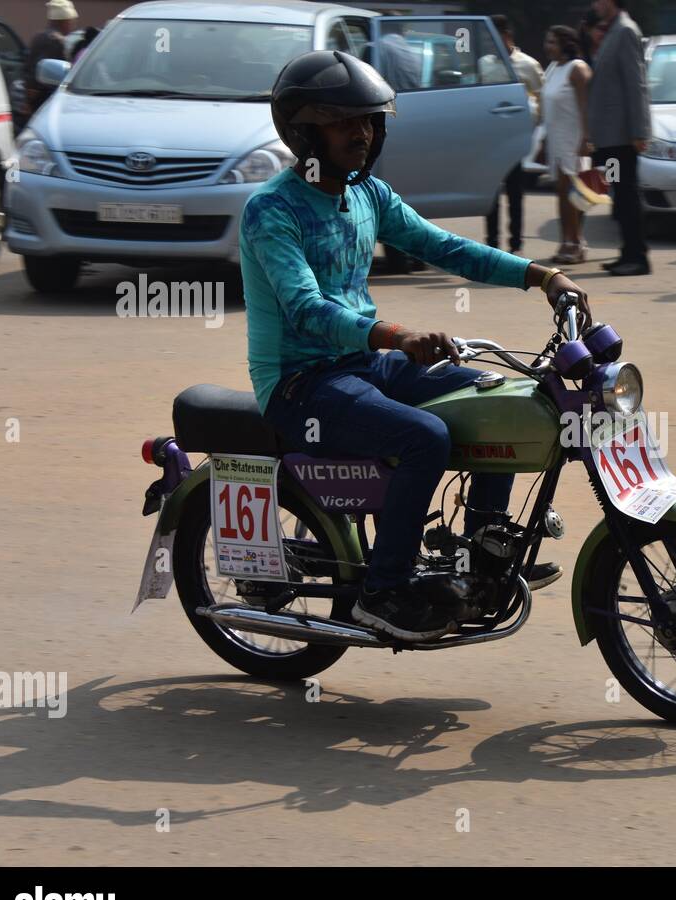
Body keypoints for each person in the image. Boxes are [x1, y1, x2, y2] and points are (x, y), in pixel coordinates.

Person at [242, 51, 590, 643]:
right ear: (304, 132)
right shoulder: (272, 210)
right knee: (423, 437)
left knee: (504, 399)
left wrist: (541, 276)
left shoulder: (368, 195)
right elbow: (305, 308)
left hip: (364, 364)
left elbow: (444, 247)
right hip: (301, 383)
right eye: (343, 122)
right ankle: (383, 591)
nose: (361, 133)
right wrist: (396, 336)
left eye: (368, 121)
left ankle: (483, 554)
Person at [586, 0, 652, 276]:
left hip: (623, 136)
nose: (595, 5)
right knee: (620, 197)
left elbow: (636, 84)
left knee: (627, 196)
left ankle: (637, 257)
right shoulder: (612, 31)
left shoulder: (625, 31)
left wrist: (639, 131)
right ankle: (627, 253)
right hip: (610, 136)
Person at [481, 15, 544, 255]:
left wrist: (533, 127)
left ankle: (516, 245)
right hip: (489, 140)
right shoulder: (483, 63)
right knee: (491, 194)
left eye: (494, 36)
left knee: (515, 194)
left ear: (507, 35)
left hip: (516, 140)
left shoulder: (528, 64)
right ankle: (492, 244)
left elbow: (542, 98)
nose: (490, 42)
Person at [541, 26, 593, 264]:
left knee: (573, 193)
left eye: (552, 42)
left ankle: (576, 243)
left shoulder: (578, 68)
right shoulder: (553, 68)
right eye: (547, 41)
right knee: (562, 193)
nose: (547, 46)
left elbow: (587, 107)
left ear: (565, 43)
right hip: (557, 139)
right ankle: (567, 240)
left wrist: (586, 139)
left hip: (575, 140)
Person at [24, 0, 78, 119]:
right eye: (71, 21)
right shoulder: (57, 41)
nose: (73, 25)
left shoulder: (38, 37)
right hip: (47, 100)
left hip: (34, 99)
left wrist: (28, 98)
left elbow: (28, 68)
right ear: (65, 21)